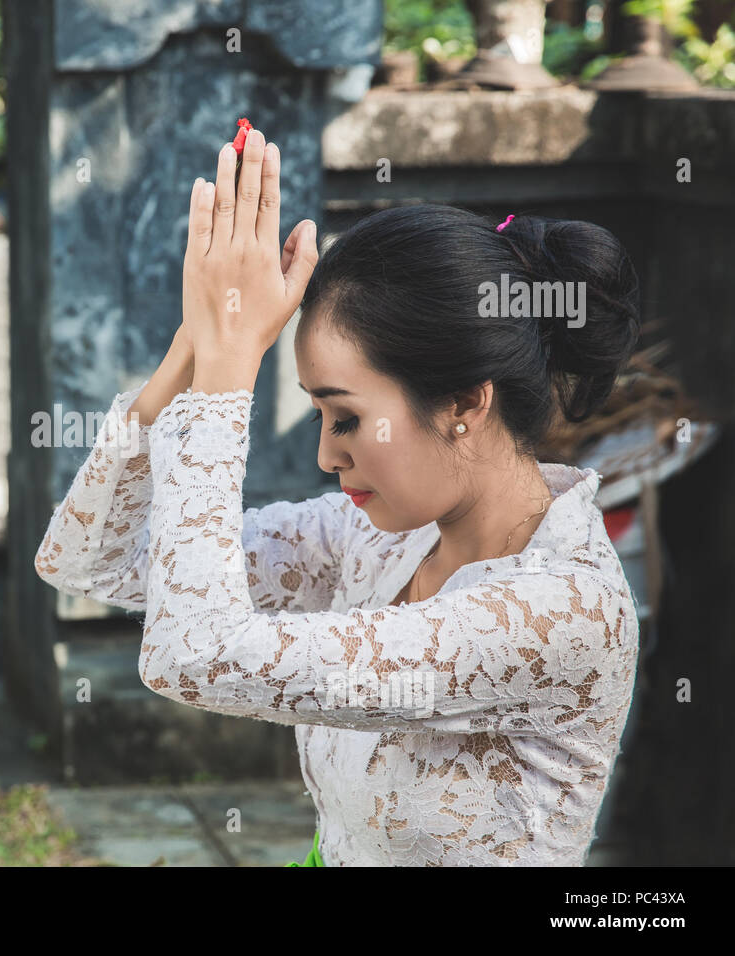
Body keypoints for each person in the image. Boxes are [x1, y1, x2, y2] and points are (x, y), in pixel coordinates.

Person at [34, 129, 642, 866]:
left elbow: (195, 658)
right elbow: (93, 559)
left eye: (347, 417)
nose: (326, 456)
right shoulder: (384, 536)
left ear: (462, 404)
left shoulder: (560, 612)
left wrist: (231, 373)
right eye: (319, 417)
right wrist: (199, 343)